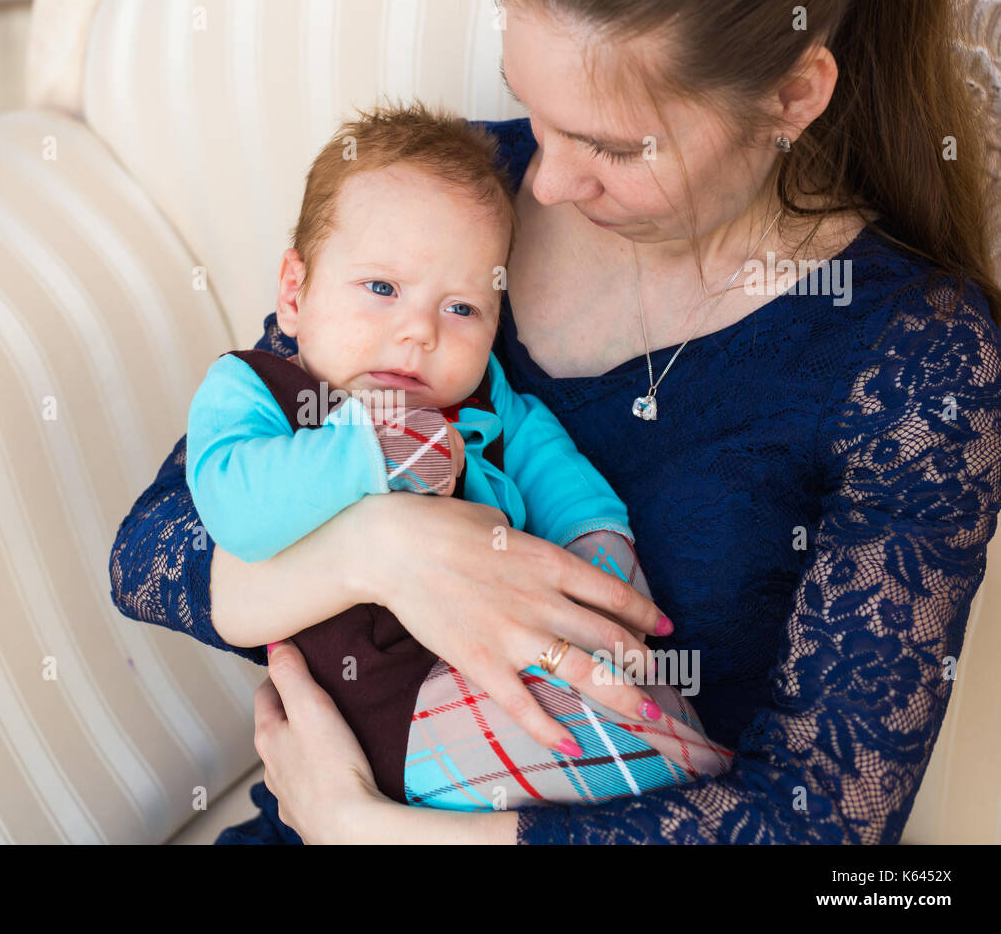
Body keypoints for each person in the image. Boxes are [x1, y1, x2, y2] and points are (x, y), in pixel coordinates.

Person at [110, 0, 1001, 843]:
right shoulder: (448, 197)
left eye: (611, 148)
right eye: (532, 108)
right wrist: (386, 553)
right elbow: (154, 547)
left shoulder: (916, 357)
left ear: (792, 95)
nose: (542, 184)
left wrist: (369, 831)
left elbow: (822, 824)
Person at [183, 101, 735, 811]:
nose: (418, 332)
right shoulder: (255, 387)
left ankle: (677, 782)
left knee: (621, 711)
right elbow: (234, 507)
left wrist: (597, 554)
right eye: (382, 289)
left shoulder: (486, 400)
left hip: (507, 661)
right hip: (384, 710)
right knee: (605, 752)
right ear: (294, 292)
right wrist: (361, 449)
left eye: (462, 310)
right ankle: (676, 785)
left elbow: (552, 466)